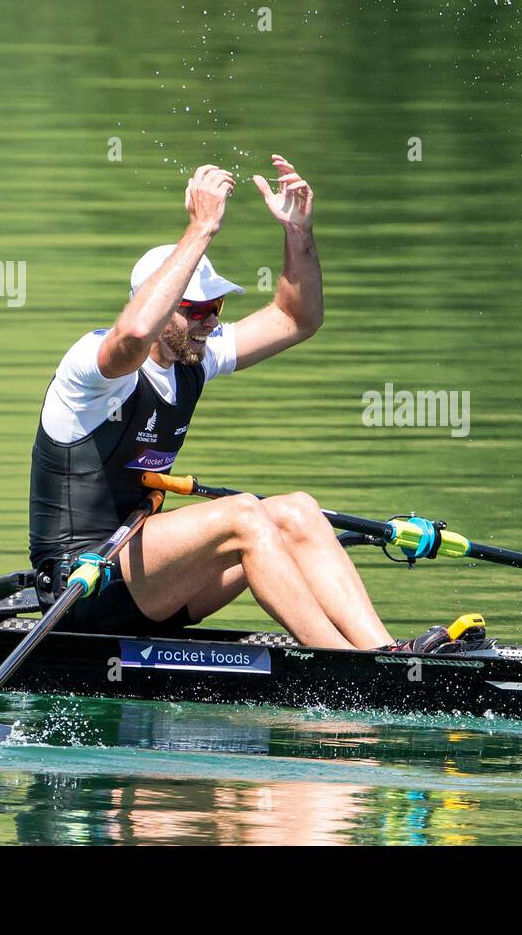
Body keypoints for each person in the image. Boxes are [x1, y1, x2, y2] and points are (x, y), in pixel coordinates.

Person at [29, 156, 455, 651]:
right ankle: (342, 665)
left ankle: (383, 654)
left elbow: (298, 318)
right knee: (242, 515)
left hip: (152, 583)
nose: (211, 320)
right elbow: (134, 332)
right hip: (80, 585)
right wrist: (202, 226)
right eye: (197, 309)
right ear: (161, 304)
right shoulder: (92, 369)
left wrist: (298, 231)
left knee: (296, 510)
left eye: (218, 307)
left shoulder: (194, 358)